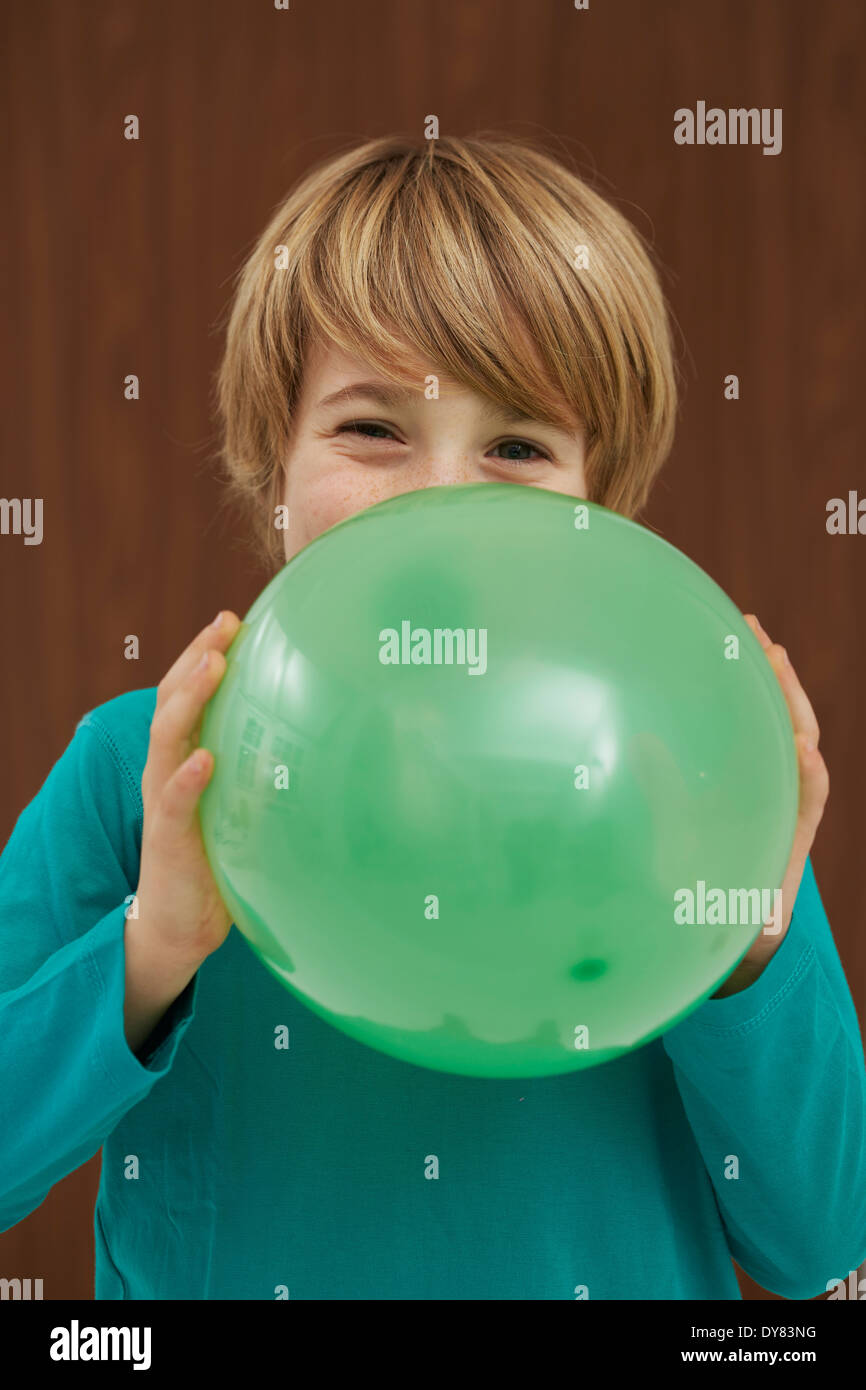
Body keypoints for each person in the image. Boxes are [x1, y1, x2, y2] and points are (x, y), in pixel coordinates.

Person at [1, 135, 863, 1300]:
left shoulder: (679, 778)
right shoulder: (141, 765)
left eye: (515, 446)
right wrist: (151, 947)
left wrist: (744, 938)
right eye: (371, 430)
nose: (442, 498)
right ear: (272, 468)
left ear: (596, 516)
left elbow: (817, 1241)